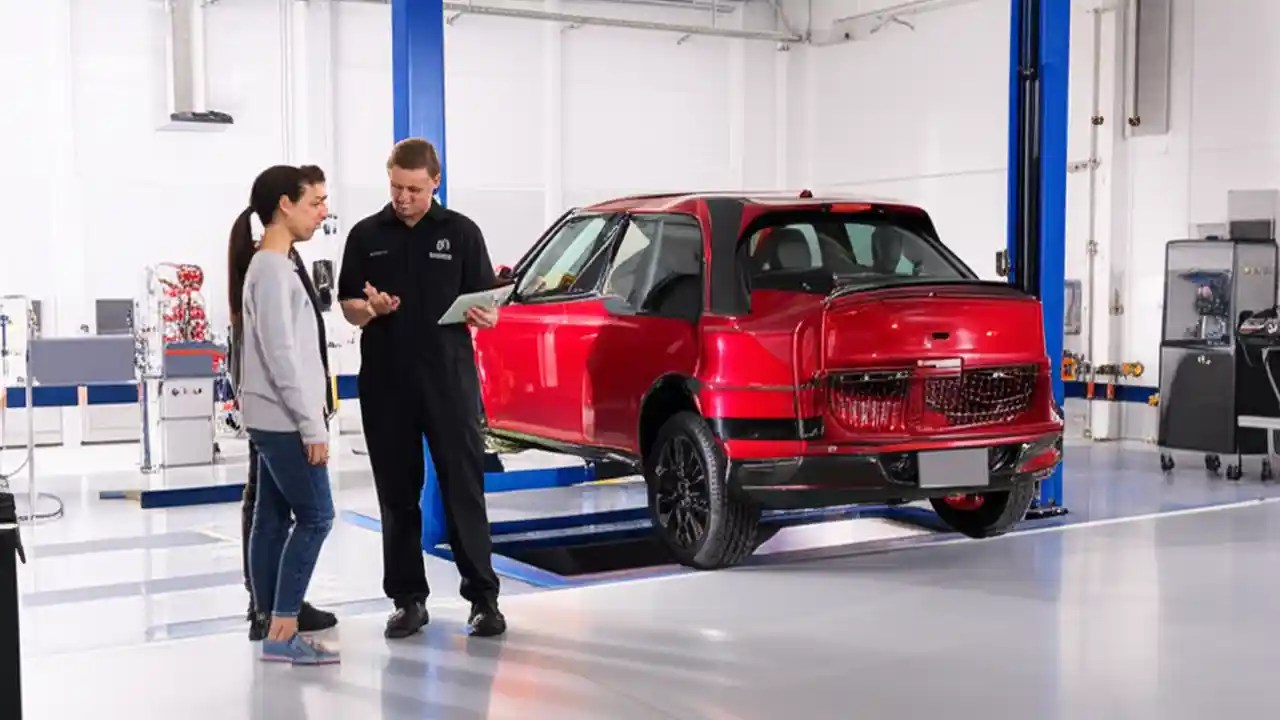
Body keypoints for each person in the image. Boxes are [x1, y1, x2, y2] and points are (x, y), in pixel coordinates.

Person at [336, 138, 506, 639]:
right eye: (395, 186)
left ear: (436, 181)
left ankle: (483, 599)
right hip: (386, 383)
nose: (403, 197)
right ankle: (408, 599)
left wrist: (485, 314)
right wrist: (371, 310)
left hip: (449, 382)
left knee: (463, 488)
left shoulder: (462, 233)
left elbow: (488, 306)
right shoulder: (366, 235)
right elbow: (348, 305)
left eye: (413, 188)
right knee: (397, 493)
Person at [229, 164, 338, 664]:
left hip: (270, 418)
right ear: (284, 205)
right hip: (285, 421)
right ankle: (283, 628)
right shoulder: (272, 269)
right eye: (314, 201)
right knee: (317, 517)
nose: (323, 211)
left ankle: (269, 624)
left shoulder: (268, 265)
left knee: (272, 519)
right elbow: (281, 355)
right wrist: (311, 425)